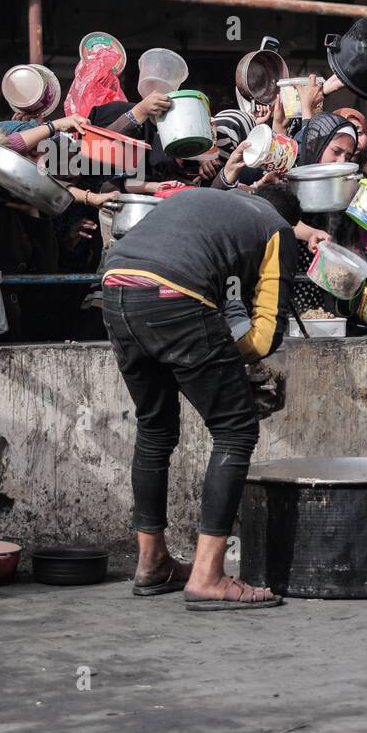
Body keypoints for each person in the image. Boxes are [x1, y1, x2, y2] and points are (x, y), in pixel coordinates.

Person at [101, 179, 302, 611]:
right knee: (235, 429)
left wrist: (210, 357)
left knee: (155, 427)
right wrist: (233, 363)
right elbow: (265, 334)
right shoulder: (277, 228)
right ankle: (209, 576)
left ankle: (152, 562)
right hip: (175, 293)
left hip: (114, 288)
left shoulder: (203, 201)